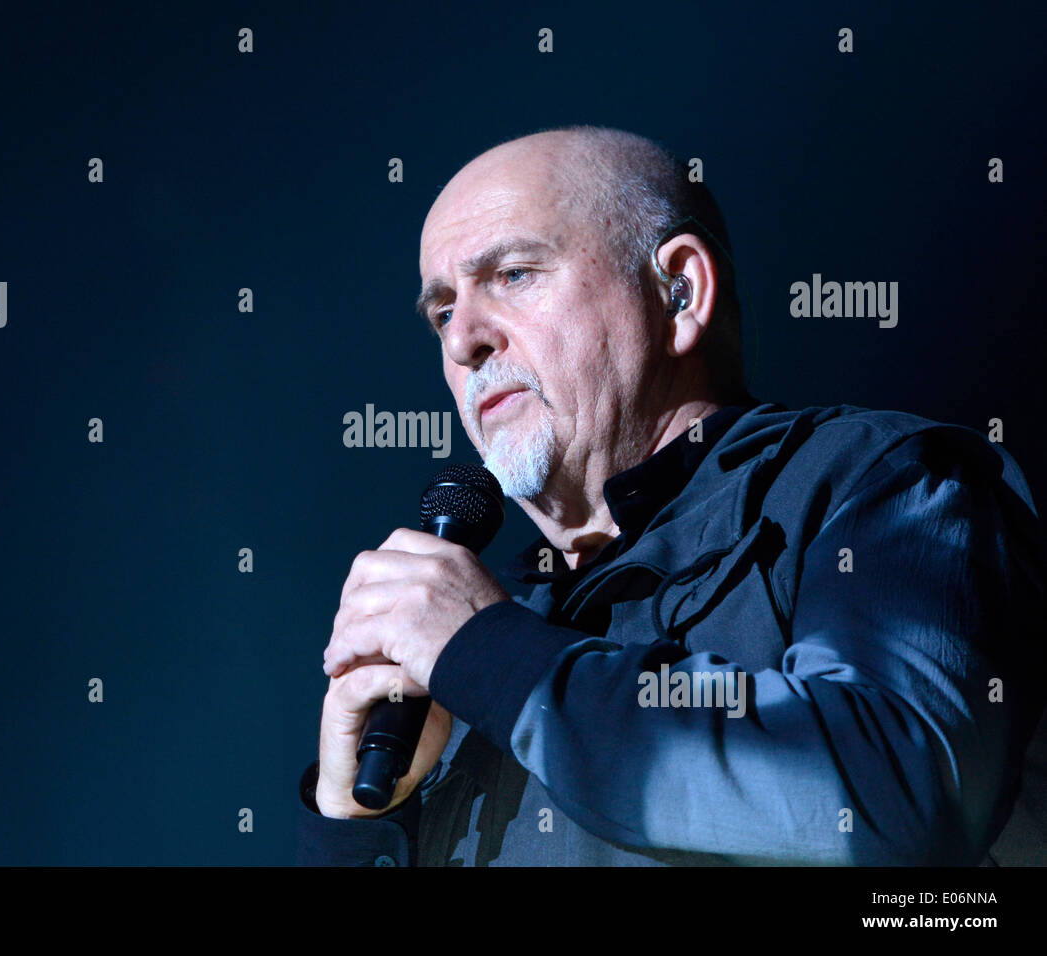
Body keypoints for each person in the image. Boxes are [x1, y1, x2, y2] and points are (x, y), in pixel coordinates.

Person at [296, 125, 1047, 866]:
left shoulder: (878, 480)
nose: (462, 340)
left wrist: (490, 656)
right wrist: (356, 819)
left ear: (679, 291)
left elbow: (894, 799)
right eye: (442, 311)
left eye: (514, 275)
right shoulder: (470, 664)